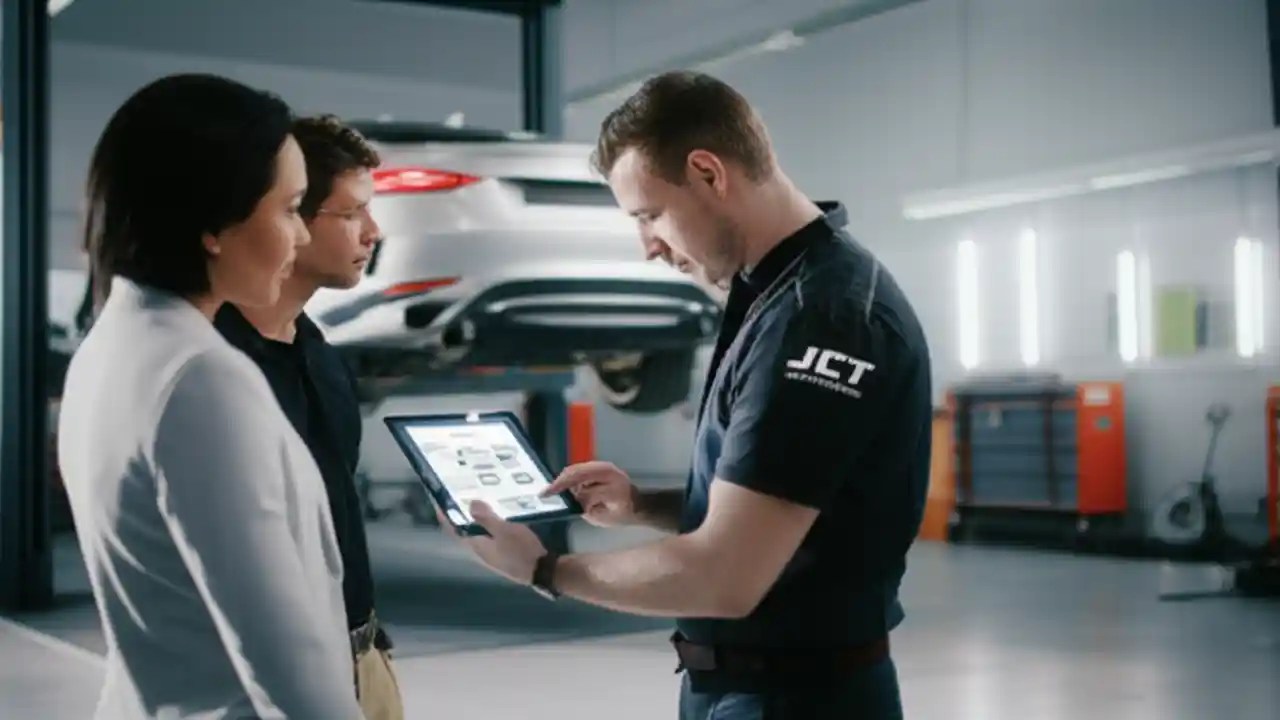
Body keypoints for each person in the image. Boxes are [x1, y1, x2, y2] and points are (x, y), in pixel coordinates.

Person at [439, 70, 933, 719]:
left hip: (798, 699)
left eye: (649, 216)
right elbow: (787, 501)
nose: (648, 247)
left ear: (708, 173)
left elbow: (724, 576)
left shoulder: (823, 319)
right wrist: (641, 504)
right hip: (747, 688)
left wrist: (544, 569)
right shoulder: (777, 296)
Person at [56, 73, 365, 720]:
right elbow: (288, 665)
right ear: (215, 224)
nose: (300, 236)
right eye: (289, 208)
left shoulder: (112, 346)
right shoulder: (201, 378)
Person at [212, 114, 403, 719]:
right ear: (290, 215)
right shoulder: (211, 370)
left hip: (363, 657)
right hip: (264, 682)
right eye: (351, 213)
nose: (373, 232)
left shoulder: (323, 359)